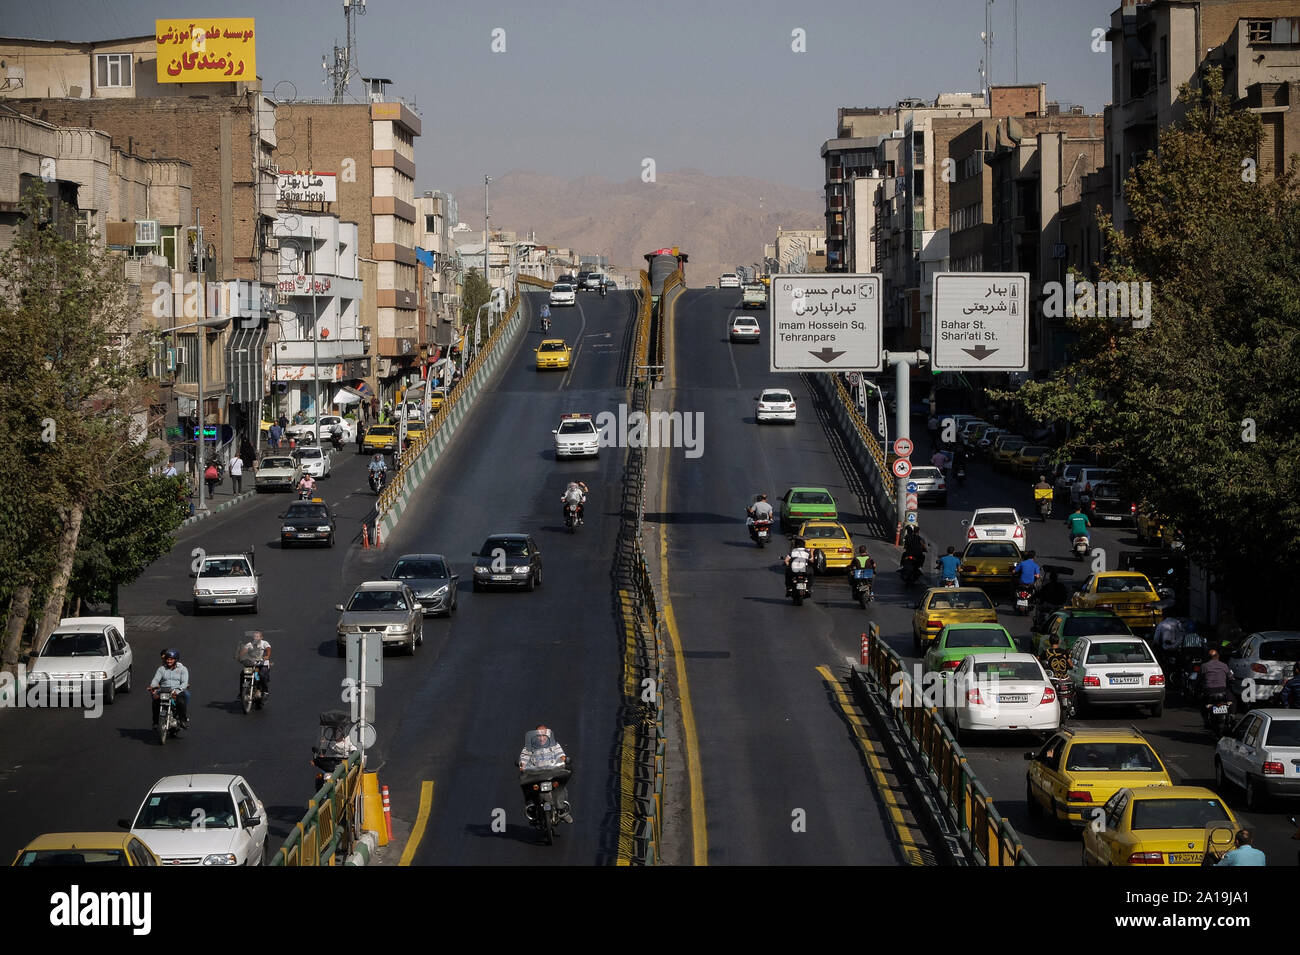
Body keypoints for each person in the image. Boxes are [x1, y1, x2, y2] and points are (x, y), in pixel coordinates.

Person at [518, 725, 572, 823]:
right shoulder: (530, 746)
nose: (542, 738)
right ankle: (532, 808)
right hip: (536, 775)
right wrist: (522, 765)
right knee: (528, 787)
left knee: (560, 787)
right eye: (539, 736)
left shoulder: (554, 745)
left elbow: (561, 755)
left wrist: (565, 760)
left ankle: (562, 810)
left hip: (552, 773)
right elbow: (524, 757)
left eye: (544, 735)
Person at [149, 648, 189, 729]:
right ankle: (156, 722)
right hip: (164, 690)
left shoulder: (183, 669)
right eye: (167, 659)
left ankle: (182, 720)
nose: (169, 661)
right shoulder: (161, 669)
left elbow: (184, 682)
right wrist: (153, 687)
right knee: (155, 701)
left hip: (177, 691)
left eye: (171, 659)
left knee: (181, 701)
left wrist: (177, 691)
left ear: (176, 660)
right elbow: (156, 680)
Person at [235, 630, 272, 699]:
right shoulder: (250, 644)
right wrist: (239, 656)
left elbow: (268, 649)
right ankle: (241, 693)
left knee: (261, 675)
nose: (256, 638)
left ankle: (265, 692)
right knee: (243, 674)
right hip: (252, 664)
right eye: (255, 636)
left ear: (261, 637)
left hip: (262, 664)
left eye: (257, 636)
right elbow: (244, 650)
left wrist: (267, 656)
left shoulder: (264, 643)